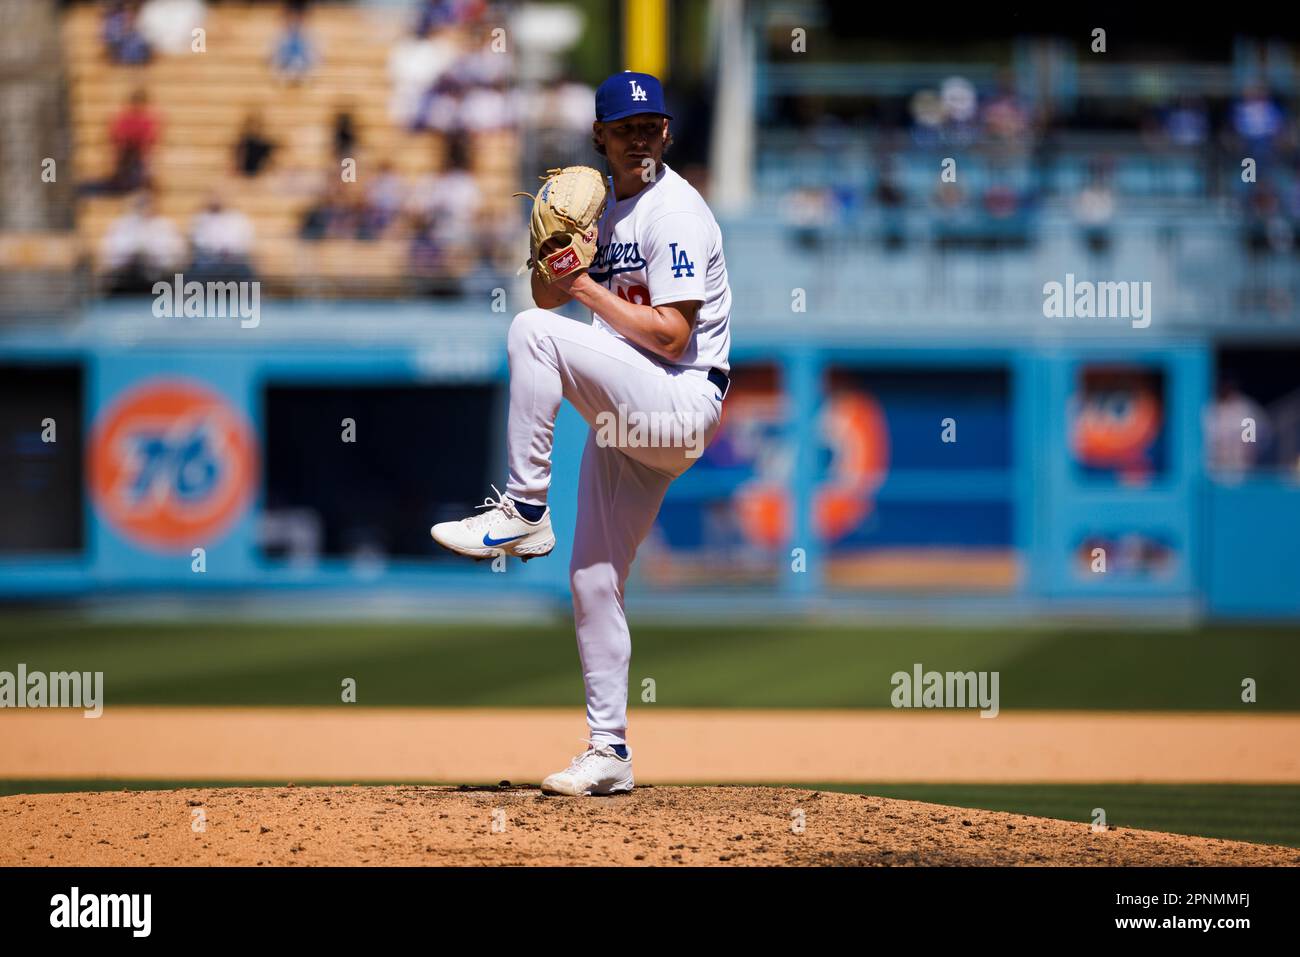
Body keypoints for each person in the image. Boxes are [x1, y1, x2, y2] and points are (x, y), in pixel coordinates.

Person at [430, 73, 732, 796]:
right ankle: (610, 752)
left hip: (679, 400)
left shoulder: (674, 209)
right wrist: (558, 259)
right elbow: (546, 292)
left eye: (651, 124)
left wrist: (586, 286)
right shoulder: (596, 204)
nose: (640, 137)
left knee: (534, 334)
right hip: (628, 411)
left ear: (666, 132)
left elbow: (670, 332)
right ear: (599, 136)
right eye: (625, 127)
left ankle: (525, 510)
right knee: (594, 580)